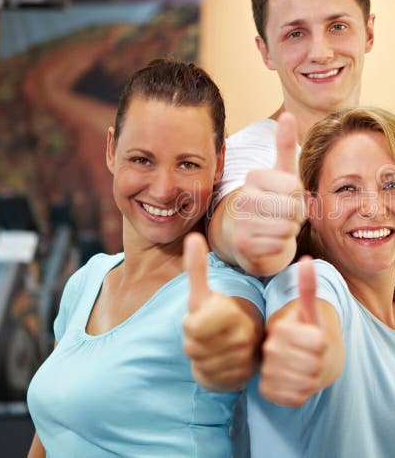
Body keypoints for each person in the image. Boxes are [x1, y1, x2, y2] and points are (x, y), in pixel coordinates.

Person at [206, 0, 395, 343]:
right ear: (266, 51)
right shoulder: (250, 155)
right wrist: (258, 225)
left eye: (338, 26)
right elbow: (239, 221)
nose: (321, 52)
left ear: (369, 33)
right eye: (295, 34)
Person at [26, 59, 265, 457]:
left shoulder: (221, 292)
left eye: (188, 164)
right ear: (111, 149)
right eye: (142, 159)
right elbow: (50, 432)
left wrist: (233, 345)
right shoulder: (87, 280)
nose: (164, 188)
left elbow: (235, 335)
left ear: (219, 164)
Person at [249, 107, 395, 457]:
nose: (373, 206)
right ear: (312, 207)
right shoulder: (316, 286)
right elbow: (308, 328)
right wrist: (298, 353)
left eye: (393, 184)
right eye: (347, 189)